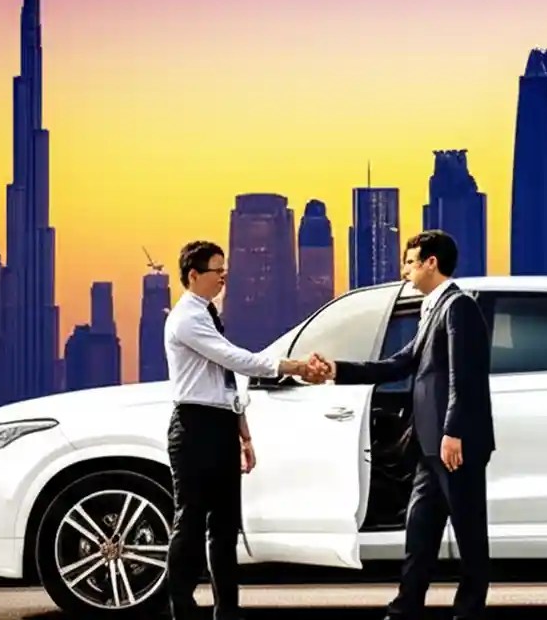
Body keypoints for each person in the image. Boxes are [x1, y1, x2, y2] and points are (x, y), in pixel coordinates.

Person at [307, 230, 495, 620]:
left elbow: (466, 376)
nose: (404, 270)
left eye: (410, 261)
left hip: (453, 443)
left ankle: (470, 609)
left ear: (431, 263)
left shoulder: (458, 307)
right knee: (420, 532)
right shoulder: (433, 309)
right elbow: (398, 364)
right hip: (430, 446)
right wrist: (336, 371)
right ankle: (406, 605)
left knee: (469, 532)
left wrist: (453, 432)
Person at [164, 240, 320, 620]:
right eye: (218, 271)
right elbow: (235, 359)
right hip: (195, 428)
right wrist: (295, 367)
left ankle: (227, 610)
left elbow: (225, 381)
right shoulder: (187, 318)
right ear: (194, 275)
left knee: (224, 526)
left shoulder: (208, 315)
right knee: (190, 521)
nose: (224, 278)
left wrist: (243, 434)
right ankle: (181, 607)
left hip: (218, 426)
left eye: (225, 271)